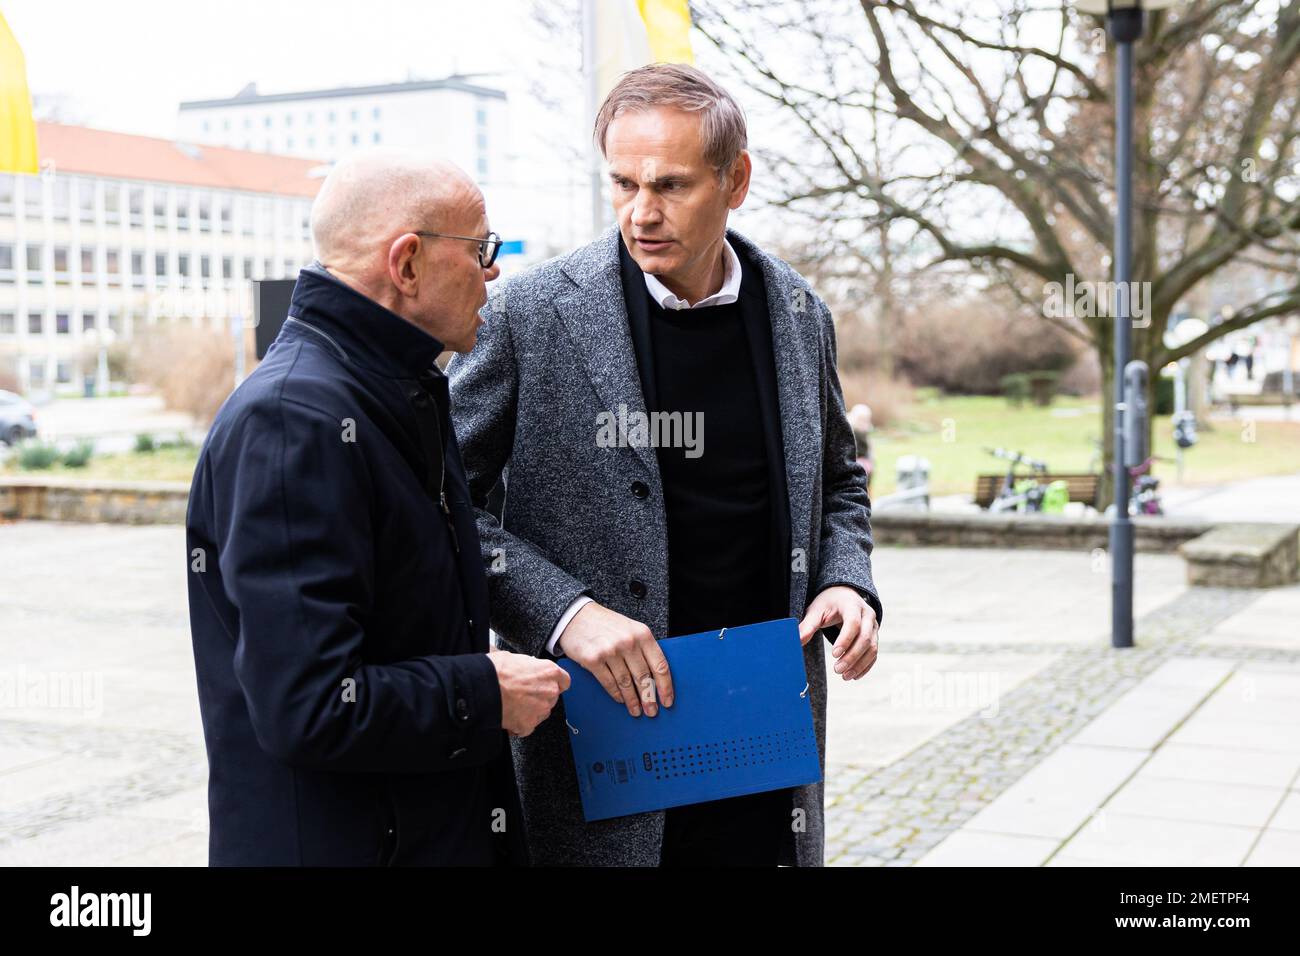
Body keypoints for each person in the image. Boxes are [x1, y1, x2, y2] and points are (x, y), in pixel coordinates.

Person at [448, 65, 883, 866]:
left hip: (765, 743)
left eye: (671, 186)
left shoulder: (798, 312)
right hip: (600, 752)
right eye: (622, 183)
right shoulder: (528, 313)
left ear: (736, 180)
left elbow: (841, 480)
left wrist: (847, 580)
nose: (640, 212)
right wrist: (567, 614)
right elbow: (436, 504)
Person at [186, 149, 569, 866]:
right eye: (481, 248)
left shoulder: (395, 390)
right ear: (407, 263)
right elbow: (310, 706)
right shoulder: (293, 420)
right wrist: (483, 691)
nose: (493, 271)